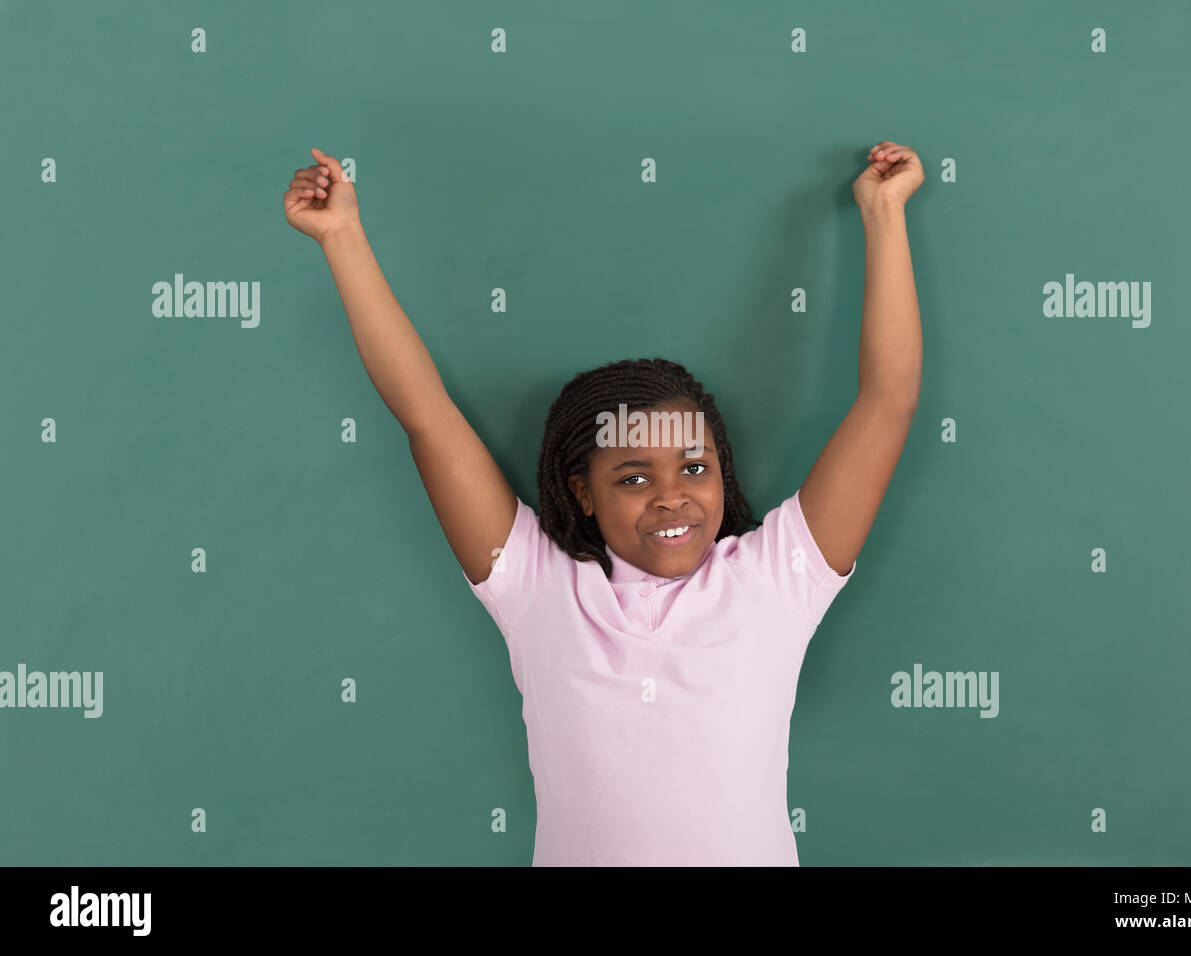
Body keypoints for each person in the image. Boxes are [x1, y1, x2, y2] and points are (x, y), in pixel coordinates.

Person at [282, 142, 925, 865]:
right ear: (582, 492)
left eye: (693, 465)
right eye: (633, 477)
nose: (672, 496)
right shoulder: (538, 589)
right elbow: (425, 415)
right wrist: (341, 237)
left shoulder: (776, 579)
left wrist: (884, 214)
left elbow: (887, 402)